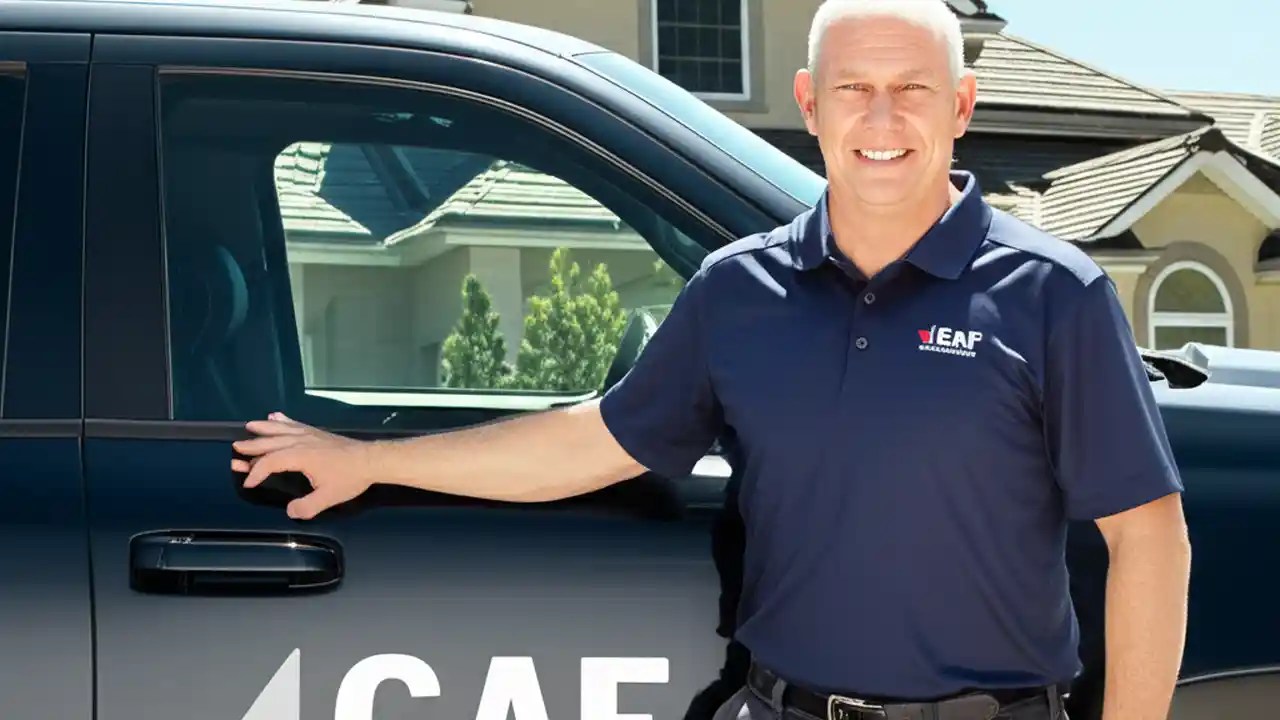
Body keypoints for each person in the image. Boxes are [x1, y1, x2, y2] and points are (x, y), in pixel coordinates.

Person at [232, 1, 1193, 718]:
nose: (884, 119)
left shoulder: (1054, 293)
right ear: (811, 105)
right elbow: (596, 441)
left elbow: (1148, 539)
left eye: (914, 90)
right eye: (855, 89)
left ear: (962, 106)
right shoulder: (741, 290)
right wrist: (373, 460)